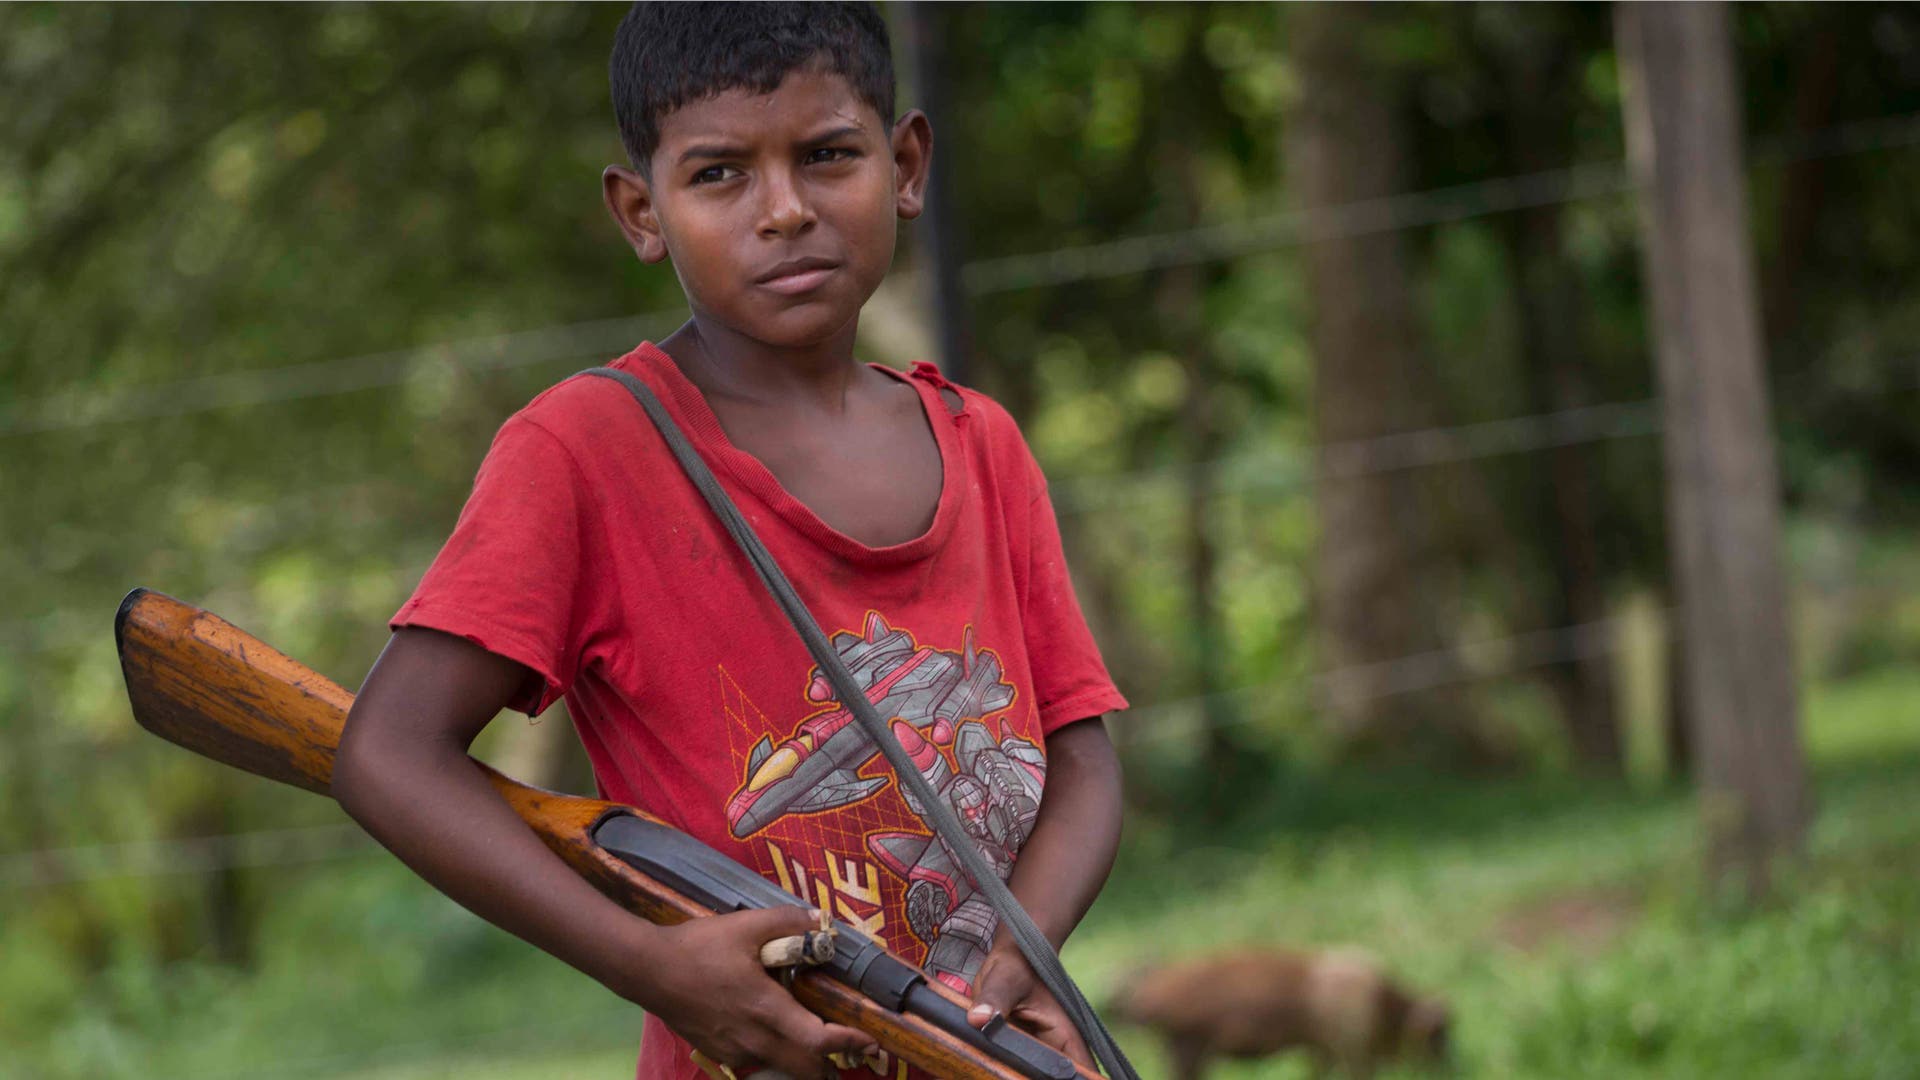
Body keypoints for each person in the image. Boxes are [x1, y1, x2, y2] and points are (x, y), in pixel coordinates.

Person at [332, 4, 1128, 1080]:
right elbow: (388, 755)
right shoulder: (583, 450)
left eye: (829, 155)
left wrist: (1009, 979)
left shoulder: (983, 445)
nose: (787, 210)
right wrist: (652, 967)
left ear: (905, 165)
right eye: (720, 176)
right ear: (640, 211)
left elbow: (1081, 759)